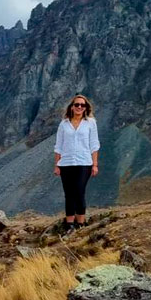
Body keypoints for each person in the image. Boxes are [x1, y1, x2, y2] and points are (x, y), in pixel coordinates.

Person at [54, 94, 99, 230]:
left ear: (86, 108)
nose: (79, 107)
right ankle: (69, 224)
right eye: (77, 104)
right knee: (69, 193)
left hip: (84, 162)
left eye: (82, 105)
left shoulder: (90, 123)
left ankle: (81, 223)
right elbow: (58, 145)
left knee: (79, 191)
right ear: (72, 107)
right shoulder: (64, 124)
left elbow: (94, 144)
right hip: (66, 163)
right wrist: (57, 165)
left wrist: (95, 164)